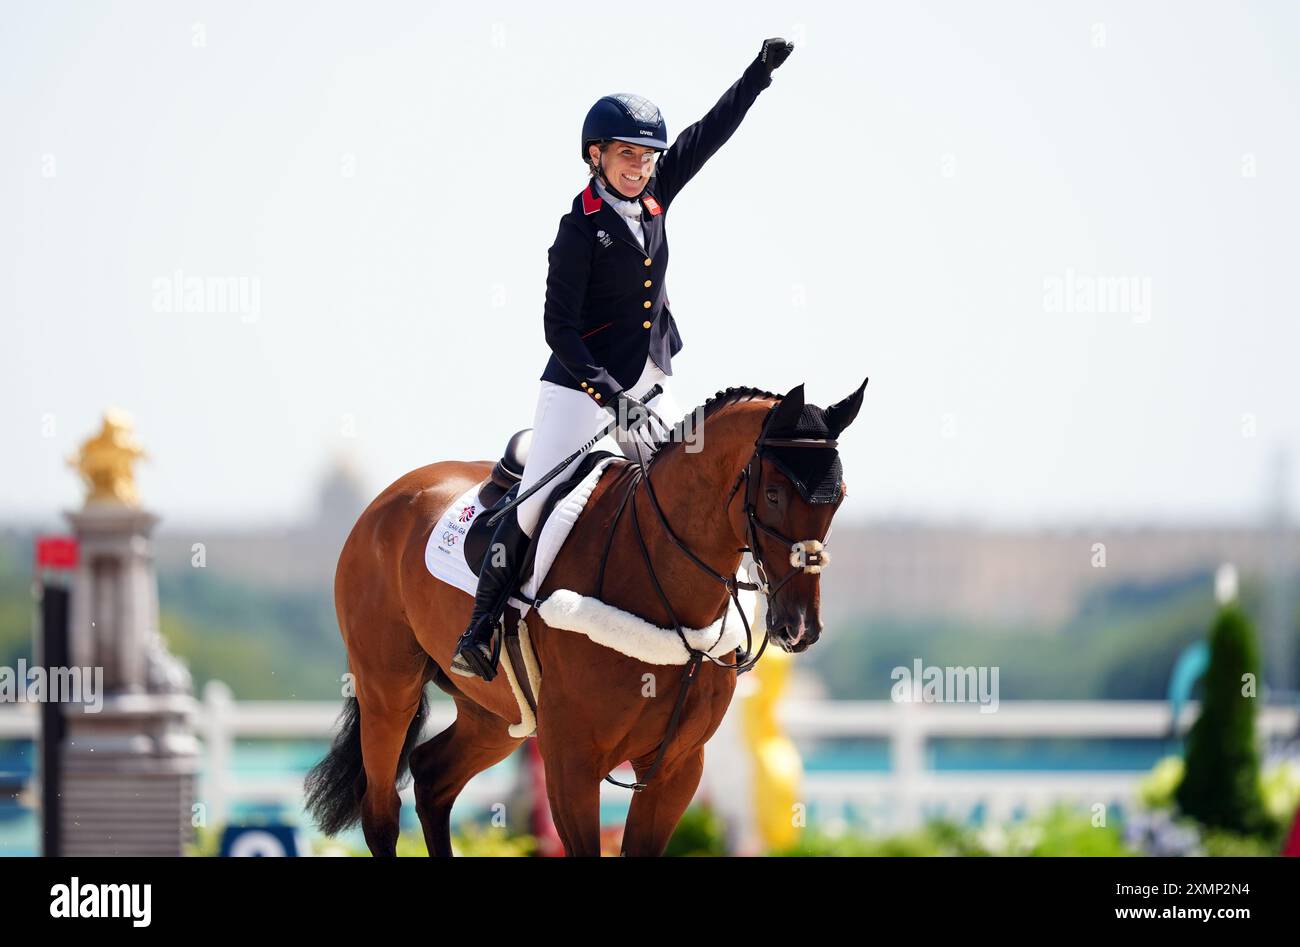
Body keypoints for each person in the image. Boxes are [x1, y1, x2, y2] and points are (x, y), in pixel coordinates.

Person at [451, 37, 795, 681]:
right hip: (580, 393)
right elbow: (559, 330)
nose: (639, 167)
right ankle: (480, 629)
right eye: (627, 156)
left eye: (647, 157)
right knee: (533, 506)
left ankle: (729, 615)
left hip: (651, 388)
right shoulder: (577, 229)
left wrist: (758, 75)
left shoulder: (658, 194)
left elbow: (709, 134)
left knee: (701, 482)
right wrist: (612, 398)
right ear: (597, 156)